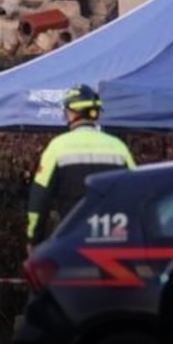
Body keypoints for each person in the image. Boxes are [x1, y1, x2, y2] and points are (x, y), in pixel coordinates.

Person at [27, 84, 136, 253]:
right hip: (111, 240)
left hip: (70, 239)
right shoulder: (119, 148)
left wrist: (33, 239)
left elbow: (39, 199)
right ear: (96, 113)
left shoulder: (57, 147)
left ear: (71, 113)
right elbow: (137, 193)